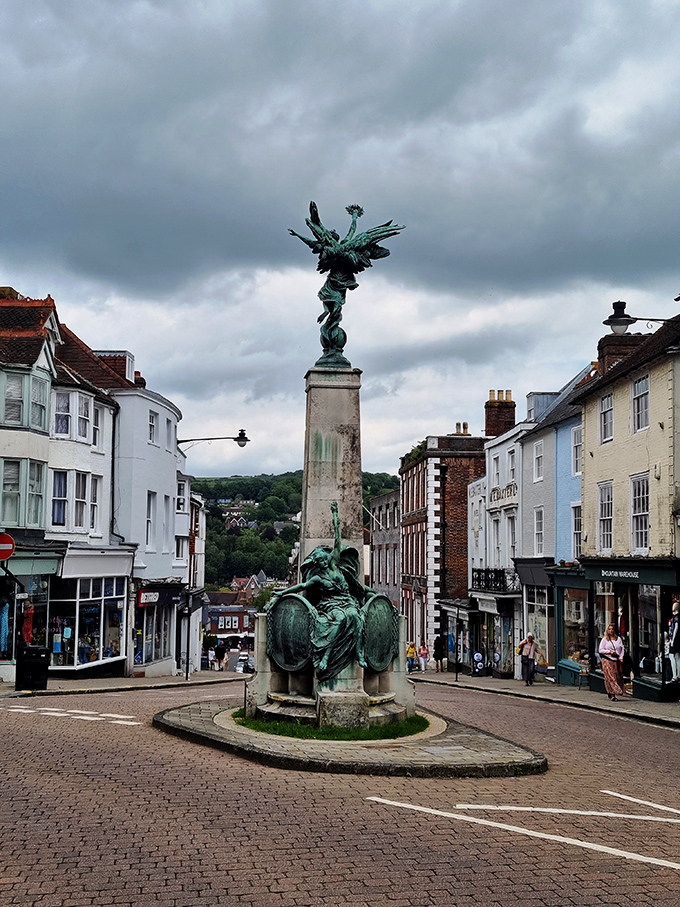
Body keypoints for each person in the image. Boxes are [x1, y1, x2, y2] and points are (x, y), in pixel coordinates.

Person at [599, 624, 625, 700]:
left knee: (616, 676)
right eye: (609, 629)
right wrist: (609, 652)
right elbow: (601, 650)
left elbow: (622, 649)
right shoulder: (604, 640)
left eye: (612, 629)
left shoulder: (618, 639)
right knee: (610, 677)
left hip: (616, 661)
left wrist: (621, 657)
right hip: (607, 660)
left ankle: (611, 692)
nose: (611, 631)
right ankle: (613, 694)